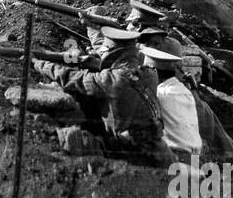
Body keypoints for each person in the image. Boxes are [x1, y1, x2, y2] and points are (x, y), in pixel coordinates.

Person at [32, 27, 174, 166]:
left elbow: (72, 78)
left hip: (134, 153)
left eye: (105, 51)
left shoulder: (113, 79)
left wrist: (38, 63)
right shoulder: (149, 74)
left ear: (113, 53)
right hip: (159, 149)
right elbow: (124, 72)